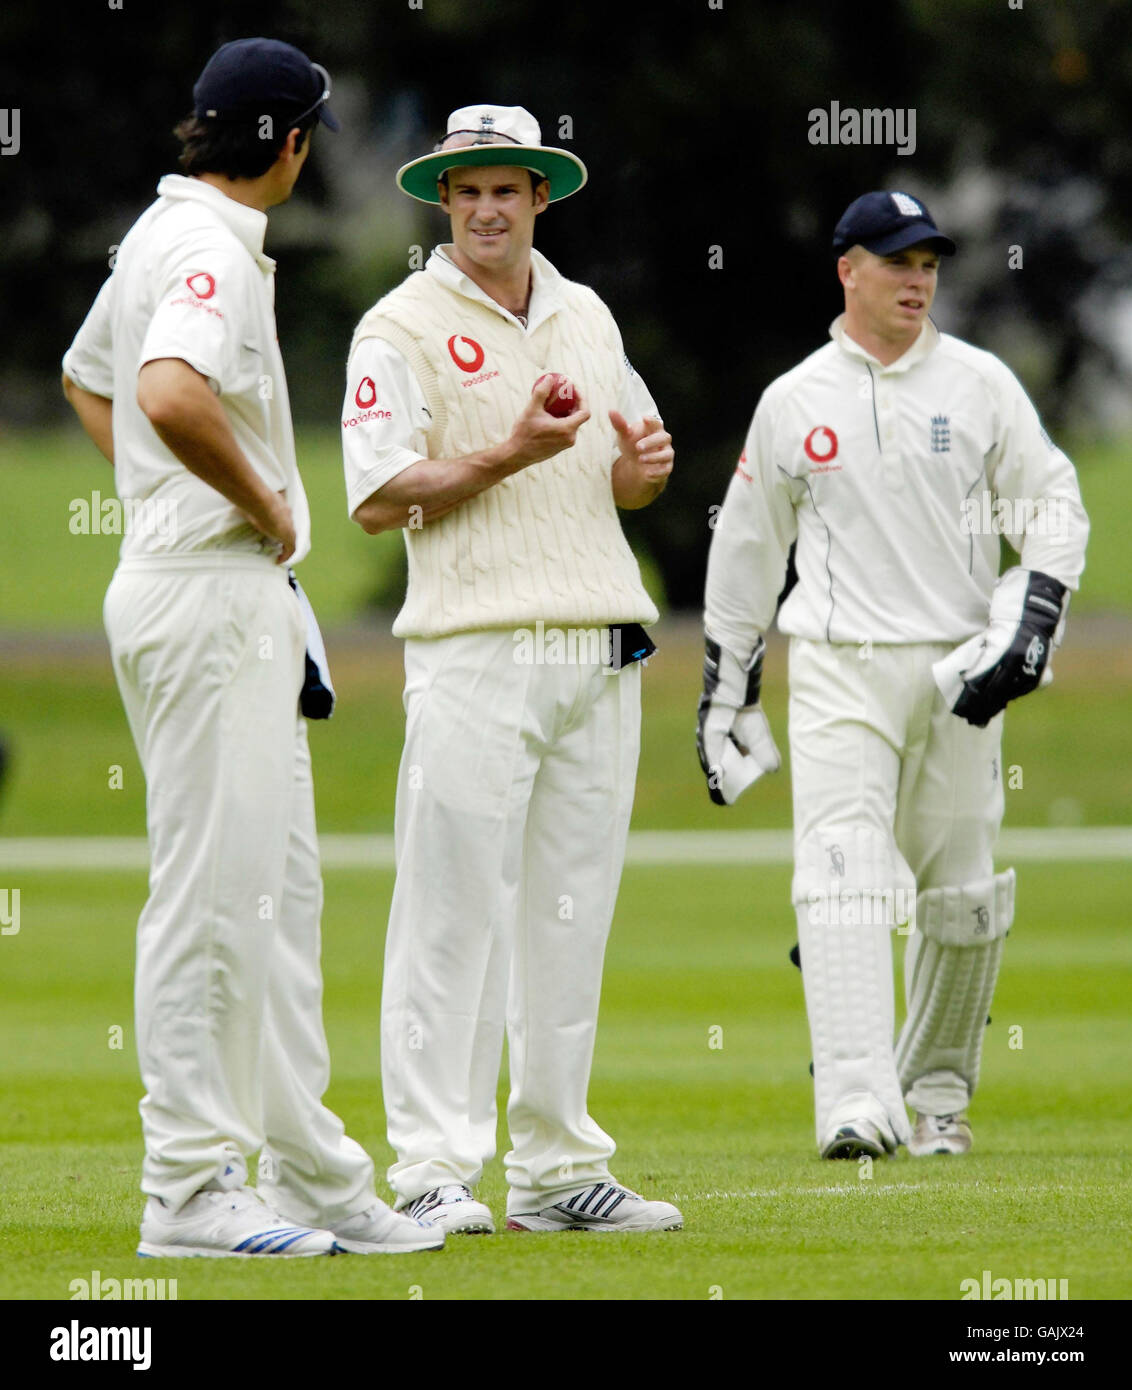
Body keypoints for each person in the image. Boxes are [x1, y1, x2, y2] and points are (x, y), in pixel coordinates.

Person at [62, 38, 441, 1256]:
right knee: (214, 900)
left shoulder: (157, 233)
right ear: (283, 141)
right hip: (210, 592)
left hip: (209, 590)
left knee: (276, 899)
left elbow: (89, 381)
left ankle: (314, 1179)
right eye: (308, 140)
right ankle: (185, 1188)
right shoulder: (212, 251)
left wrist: (162, 493)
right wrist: (263, 503)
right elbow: (165, 393)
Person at [342, 104, 682, 1233]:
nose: (488, 209)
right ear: (444, 201)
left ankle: (553, 1168)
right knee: (452, 914)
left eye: (508, 190)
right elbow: (381, 499)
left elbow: (626, 478)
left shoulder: (586, 313)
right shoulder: (397, 325)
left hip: (595, 641)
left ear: (543, 197)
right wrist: (508, 451)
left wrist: (645, 467)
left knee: (567, 916)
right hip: (474, 646)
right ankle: (434, 1169)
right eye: (468, 190)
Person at [698, 190, 1089, 1160]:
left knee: (960, 895)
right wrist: (726, 687)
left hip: (960, 668)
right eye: (898, 262)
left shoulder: (980, 383)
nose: (918, 280)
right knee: (841, 873)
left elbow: (1051, 504)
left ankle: (938, 1100)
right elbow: (747, 551)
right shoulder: (795, 400)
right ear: (849, 270)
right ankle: (855, 1104)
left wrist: (1032, 617)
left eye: (929, 264)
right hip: (839, 666)